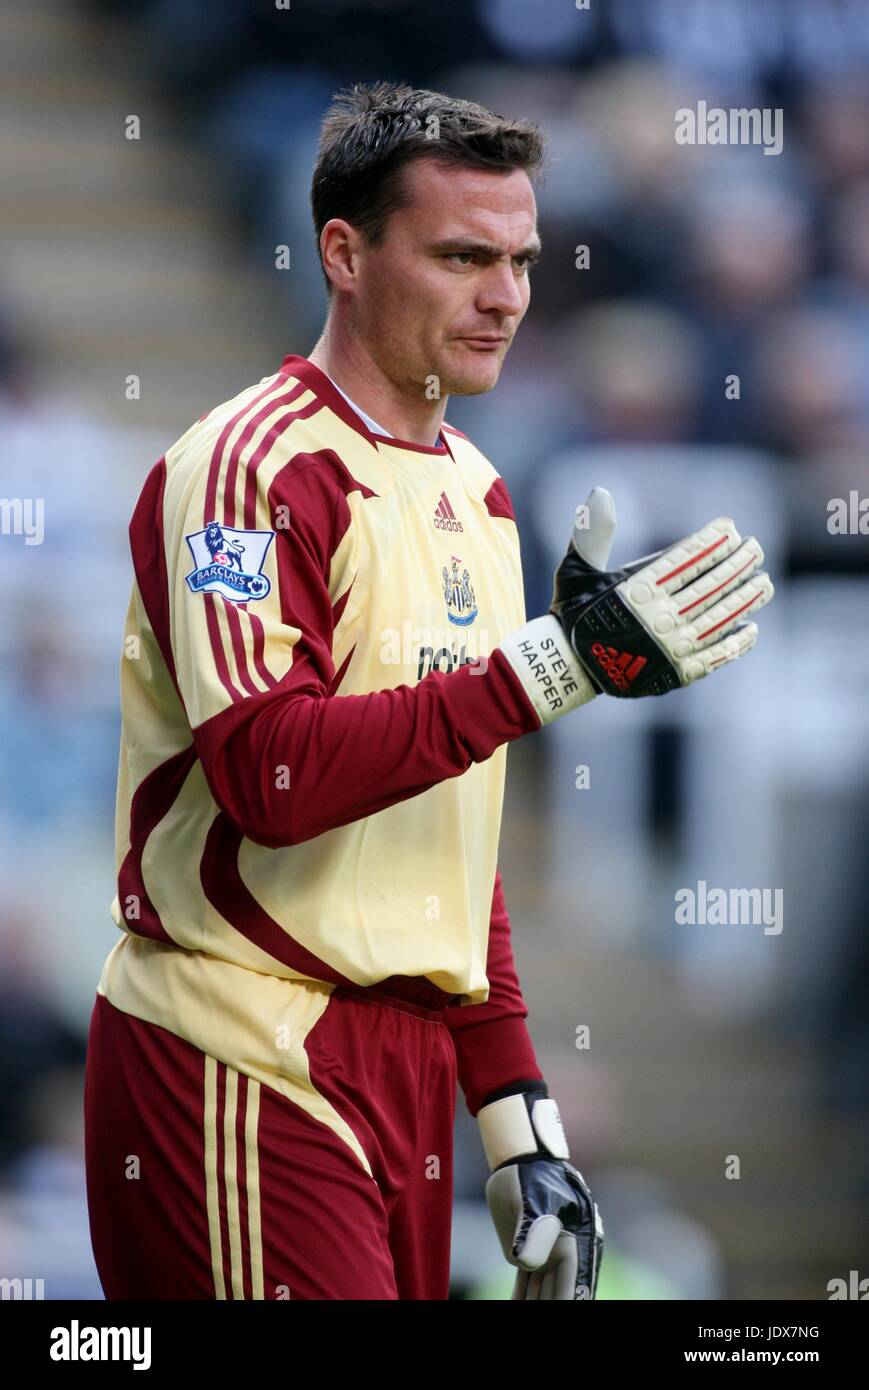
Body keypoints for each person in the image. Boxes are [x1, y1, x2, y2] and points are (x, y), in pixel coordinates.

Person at [83, 80, 773, 1301]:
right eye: (462, 257)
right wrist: (545, 668)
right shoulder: (250, 468)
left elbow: (448, 845)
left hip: (402, 1073)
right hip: (240, 1040)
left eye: (518, 260)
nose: (504, 296)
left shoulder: (479, 489)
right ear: (343, 254)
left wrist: (516, 1120)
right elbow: (269, 775)